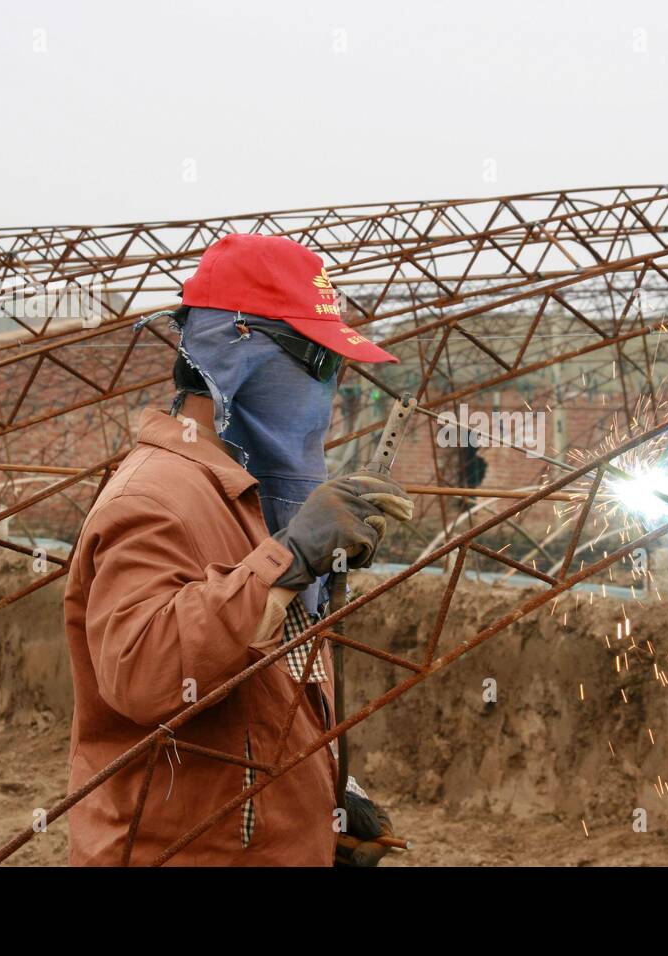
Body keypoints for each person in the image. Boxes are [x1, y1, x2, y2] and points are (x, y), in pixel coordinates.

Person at [63, 234, 411, 865]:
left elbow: (269, 692)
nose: (324, 388)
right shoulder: (157, 498)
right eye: (315, 360)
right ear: (237, 356)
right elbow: (145, 672)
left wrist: (324, 808)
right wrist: (290, 559)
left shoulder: (257, 500)